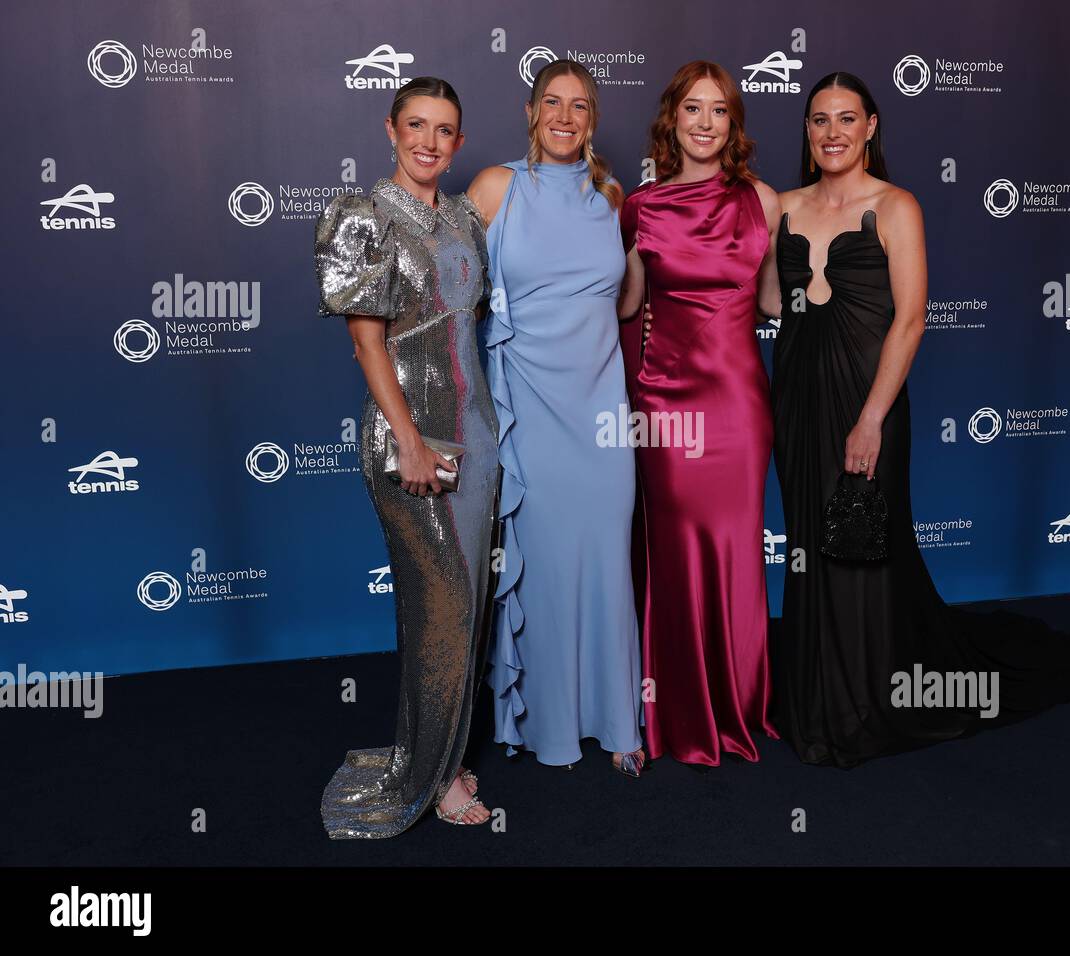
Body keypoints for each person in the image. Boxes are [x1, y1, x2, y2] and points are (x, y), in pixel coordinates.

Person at [759, 71, 1070, 769]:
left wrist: (872, 419)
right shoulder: (783, 206)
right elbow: (770, 302)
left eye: (846, 119)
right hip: (798, 398)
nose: (832, 133)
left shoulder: (896, 206)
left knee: (865, 547)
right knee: (809, 545)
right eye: (819, 120)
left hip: (868, 400)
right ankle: (815, 701)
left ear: (871, 127)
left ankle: (867, 705)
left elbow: (911, 320)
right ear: (807, 131)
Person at [315, 77, 499, 833]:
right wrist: (411, 441)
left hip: (476, 435)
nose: (429, 141)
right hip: (411, 438)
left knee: (464, 613)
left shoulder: (460, 215)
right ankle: (435, 774)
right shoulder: (361, 216)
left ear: (458, 141)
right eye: (416, 125)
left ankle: (441, 747)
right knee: (441, 610)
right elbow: (366, 343)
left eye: (445, 130)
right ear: (390, 129)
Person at [466, 60, 646, 775]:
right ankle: (549, 725)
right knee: (542, 568)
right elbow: (454, 290)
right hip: (531, 410)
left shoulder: (610, 193)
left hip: (603, 412)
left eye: (579, 106)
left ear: (593, 119)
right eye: (552, 103)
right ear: (531, 111)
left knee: (606, 560)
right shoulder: (495, 187)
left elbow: (624, 303)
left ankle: (617, 721)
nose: (565, 117)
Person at [616, 61, 781, 766]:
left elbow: (774, 302)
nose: (706, 123)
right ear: (671, 120)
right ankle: (672, 709)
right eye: (693, 109)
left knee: (737, 548)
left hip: (739, 402)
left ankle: (737, 704)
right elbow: (626, 306)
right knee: (674, 552)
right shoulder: (641, 207)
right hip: (664, 400)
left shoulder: (763, 200)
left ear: (732, 124)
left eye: (719, 110)